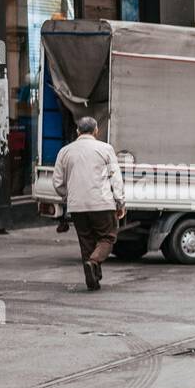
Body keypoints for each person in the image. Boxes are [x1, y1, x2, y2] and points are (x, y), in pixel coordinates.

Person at [51, 116, 125, 291]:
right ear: (96, 131)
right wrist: (120, 202)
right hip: (102, 203)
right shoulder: (105, 149)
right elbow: (116, 178)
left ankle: (93, 280)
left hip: (77, 206)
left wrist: (68, 197)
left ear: (78, 131)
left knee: (86, 241)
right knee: (107, 237)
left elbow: (57, 182)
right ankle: (93, 262)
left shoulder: (65, 151)